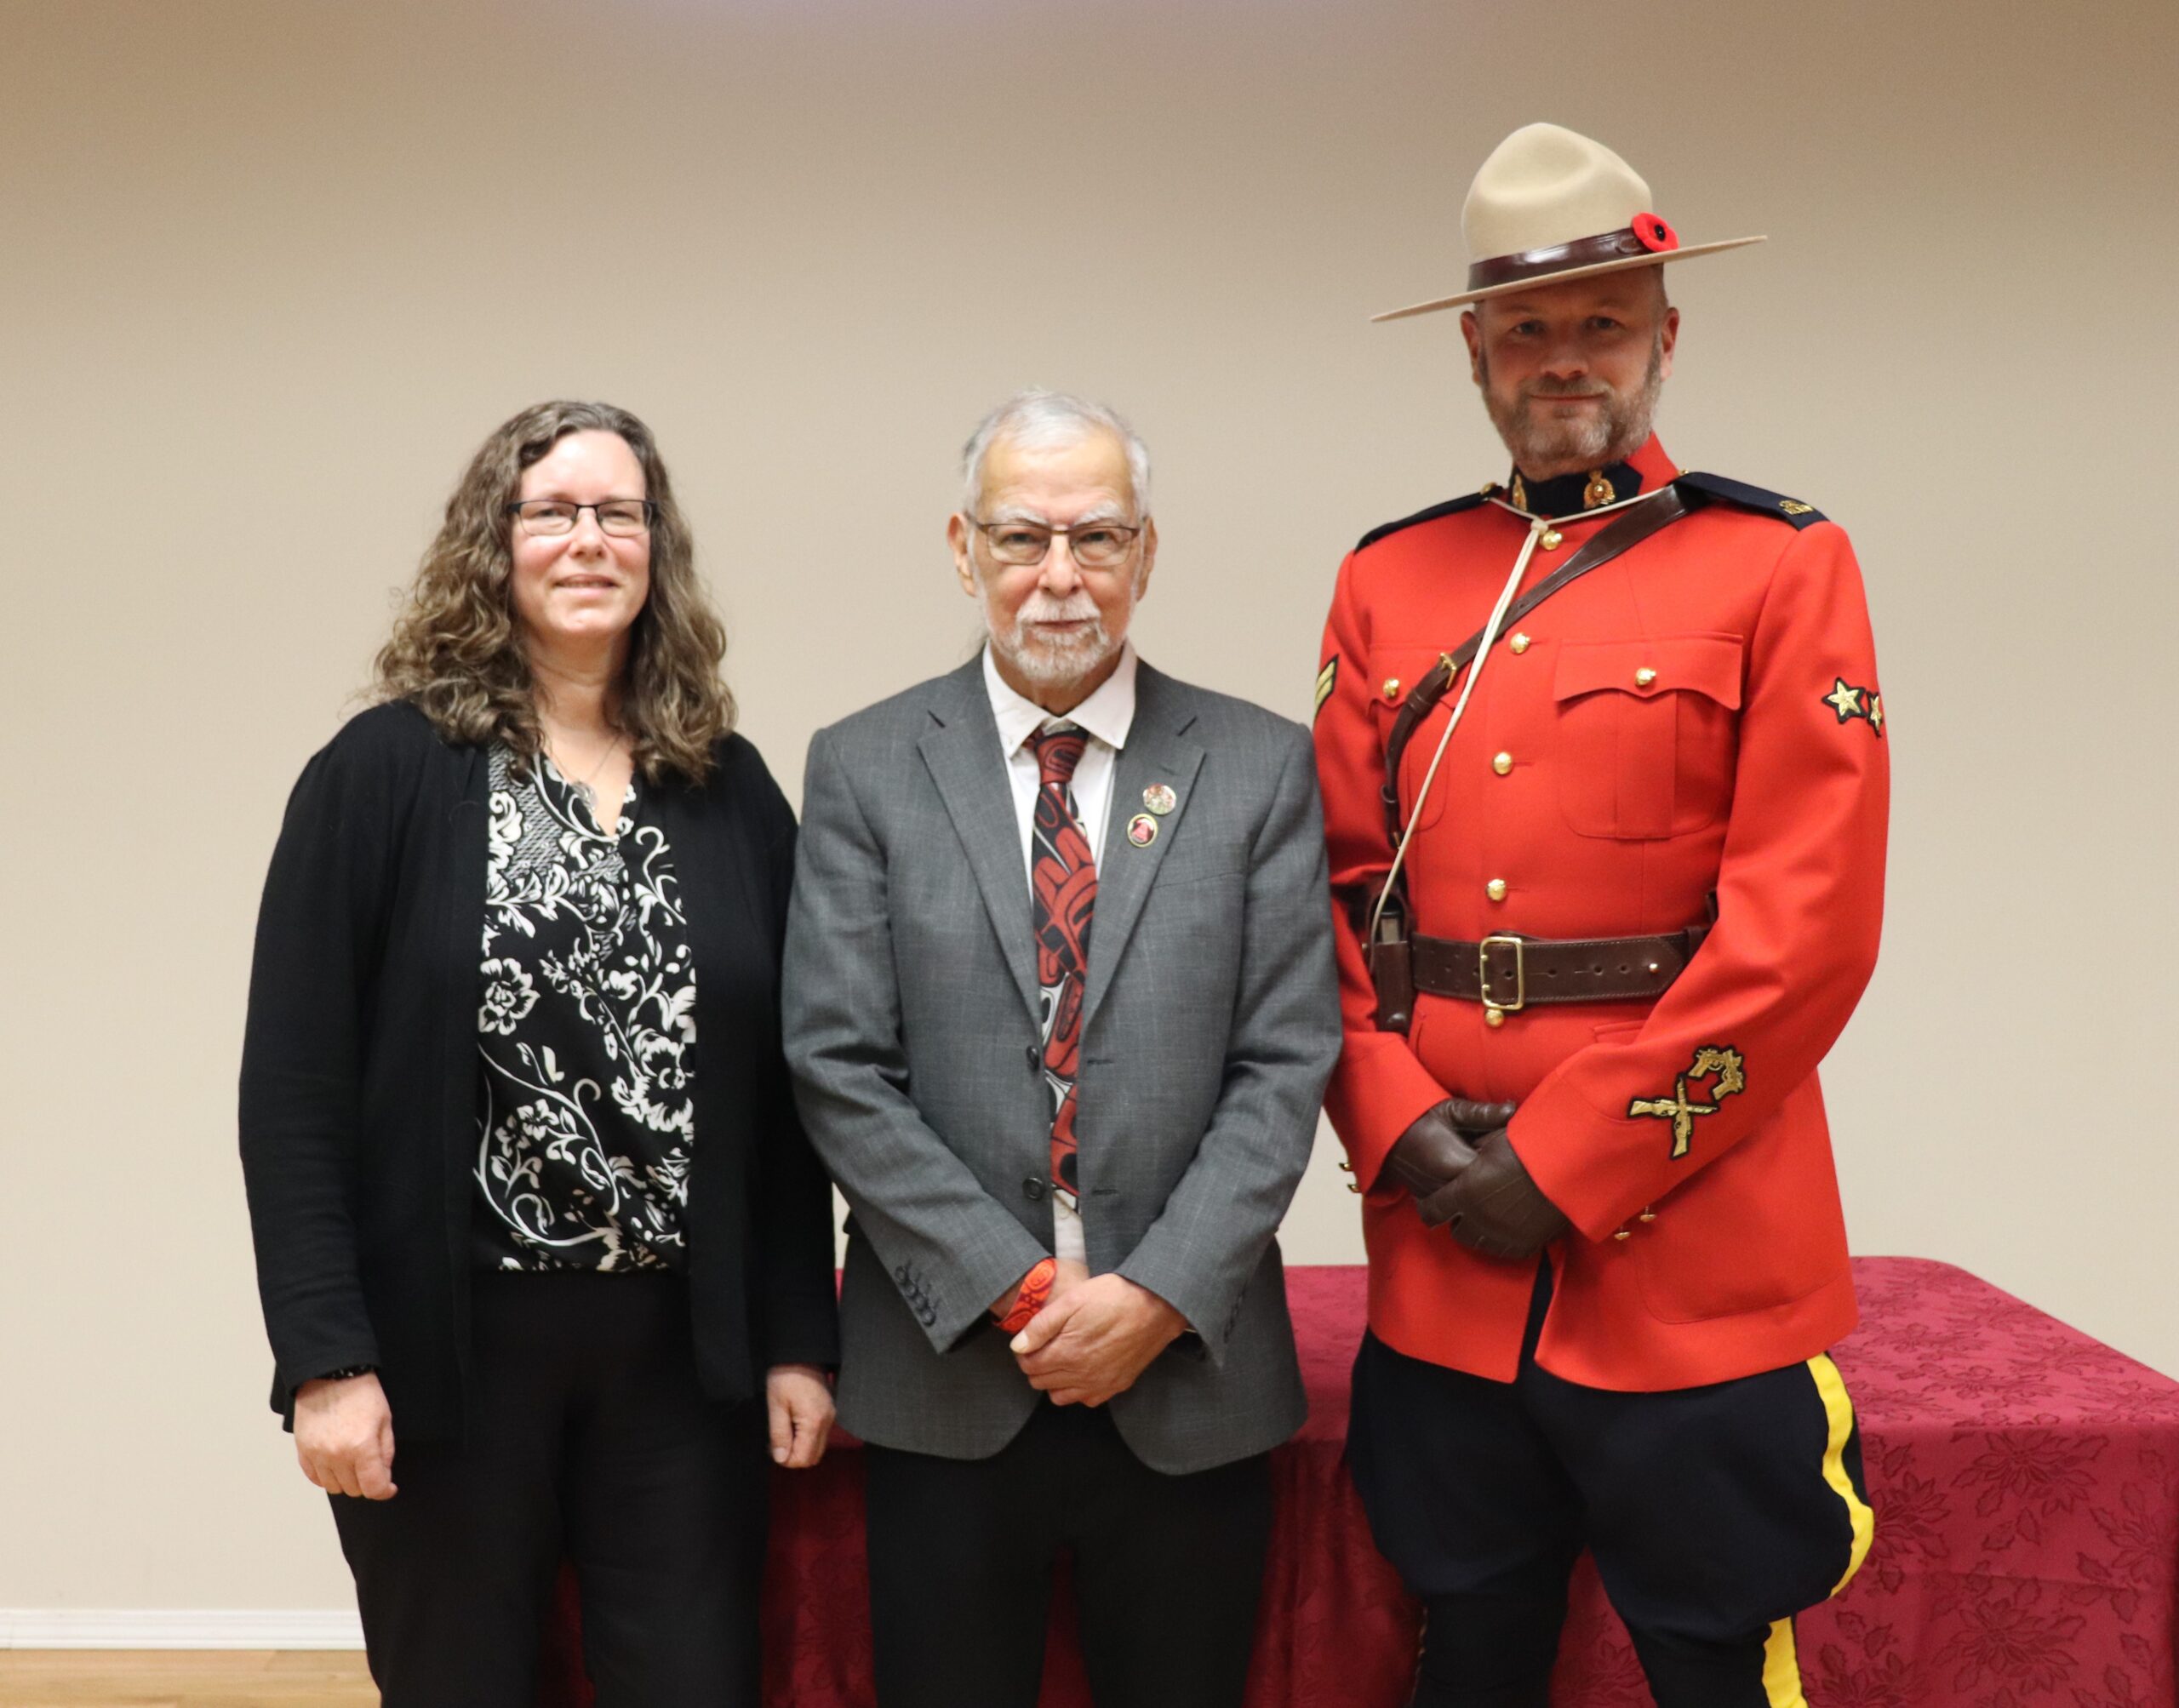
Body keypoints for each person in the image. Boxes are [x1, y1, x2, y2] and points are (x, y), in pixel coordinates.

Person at [1313, 124, 1887, 1706]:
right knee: (1466, 1645)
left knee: (1713, 1656)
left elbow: (1805, 934)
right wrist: (1406, 1135)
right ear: (1476, 353)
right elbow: (1336, 906)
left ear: (1665, 335)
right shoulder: (1391, 582)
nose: (1564, 360)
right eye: (1527, 330)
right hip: (1444, 1258)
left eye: (1602, 323)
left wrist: (1569, 1164)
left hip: (1688, 1242)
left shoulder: (1777, 565)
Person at [238, 400, 839, 1707]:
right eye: (552, 511)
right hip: (448, 1360)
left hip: (685, 1364)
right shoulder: (384, 774)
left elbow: (788, 1095)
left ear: (655, 549)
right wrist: (327, 1363)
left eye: (617, 513)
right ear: (493, 543)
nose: (588, 539)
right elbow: (293, 1093)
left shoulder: (725, 786)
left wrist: (800, 1335)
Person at [782, 389, 1340, 1708]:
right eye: (1022, 536)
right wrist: (1029, 1294)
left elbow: (1285, 1066)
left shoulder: (1257, 767)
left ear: (1146, 555)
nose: (1058, 577)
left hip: (1188, 1375)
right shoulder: (864, 766)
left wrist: (1148, 1301)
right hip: (954, 1377)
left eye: (1096, 538)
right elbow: (837, 1065)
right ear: (963, 549)